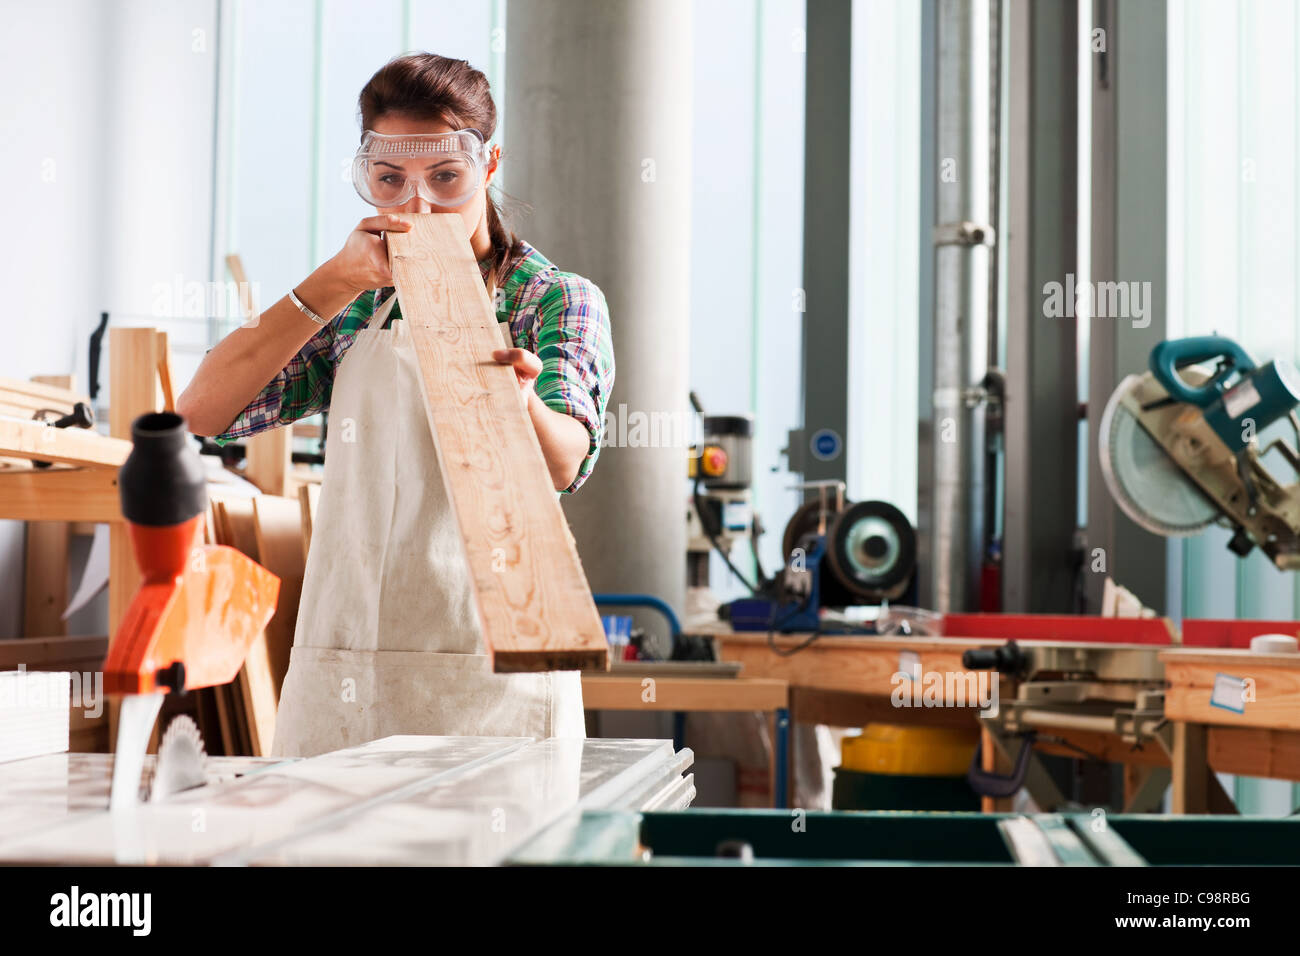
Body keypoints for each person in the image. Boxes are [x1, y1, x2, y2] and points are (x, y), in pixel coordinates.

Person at [178, 53, 615, 756]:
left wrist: (521, 403)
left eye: (445, 177)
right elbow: (200, 412)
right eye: (389, 180)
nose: (417, 205)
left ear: (489, 164)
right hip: (351, 661)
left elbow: (564, 462)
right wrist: (330, 284)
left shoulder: (552, 298)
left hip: (493, 675)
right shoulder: (354, 308)